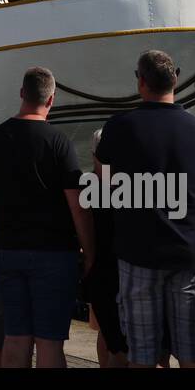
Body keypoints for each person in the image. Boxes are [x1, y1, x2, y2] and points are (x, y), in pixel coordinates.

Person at [95, 50, 195, 368]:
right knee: (192, 354)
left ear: (141, 81)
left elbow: (103, 184)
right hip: (191, 253)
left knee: (143, 354)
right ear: (175, 79)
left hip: (139, 252)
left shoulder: (119, 126)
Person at [0, 69, 93, 368]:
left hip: (6, 252)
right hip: (53, 255)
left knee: (15, 337)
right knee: (49, 341)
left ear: (21, 94)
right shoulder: (59, 142)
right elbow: (77, 204)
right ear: (51, 99)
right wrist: (89, 252)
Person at [85, 129, 127, 367]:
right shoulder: (128, 187)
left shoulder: (87, 185)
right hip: (123, 266)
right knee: (123, 340)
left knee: (104, 330)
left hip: (97, 265)